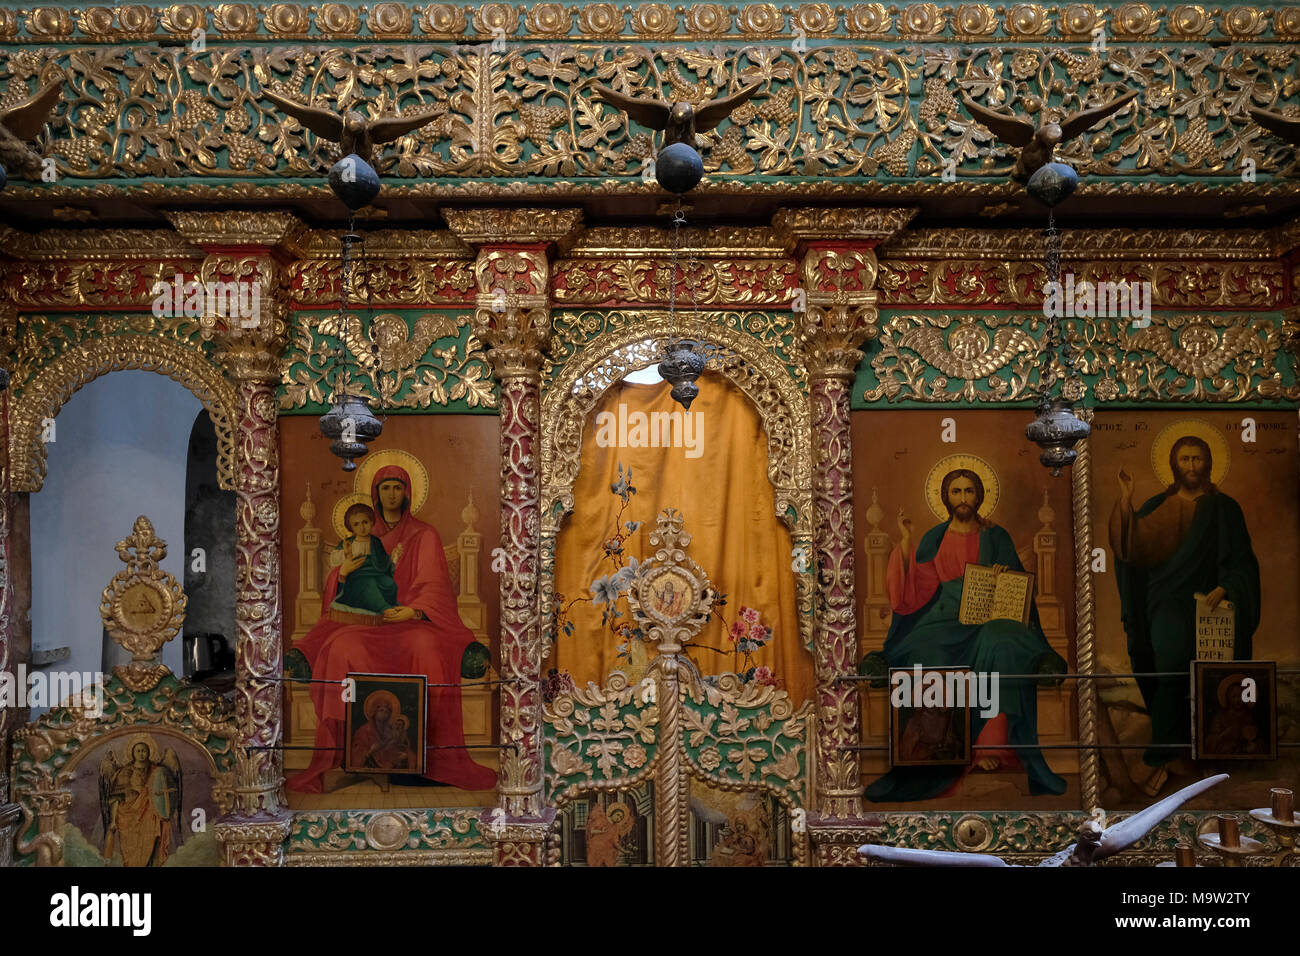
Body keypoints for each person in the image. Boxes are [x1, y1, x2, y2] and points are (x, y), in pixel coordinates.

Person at [289, 464, 497, 793]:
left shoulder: (424, 534)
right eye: (385, 488)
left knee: (426, 647)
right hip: (369, 622)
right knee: (341, 647)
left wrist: (413, 610)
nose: (392, 494)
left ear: (408, 493)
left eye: (397, 488)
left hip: (409, 622)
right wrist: (342, 572)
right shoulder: (359, 538)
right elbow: (341, 588)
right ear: (375, 493)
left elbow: (436, 587)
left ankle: (425, 757)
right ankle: (349, 756)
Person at [866, 468, 1066, 802]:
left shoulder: (996, 536)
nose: (963, 498)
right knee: (927, 654)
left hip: (988, 615)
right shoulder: (934, 537)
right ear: (946, 497)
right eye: (956, 492)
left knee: (1000, 642)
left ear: (979, 496)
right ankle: (938, 751)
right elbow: (914, 592)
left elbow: (1019, 589)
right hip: (943, 619)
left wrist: (1003, 575)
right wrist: (904, 542)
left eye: (969, 491)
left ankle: (992, 749)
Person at [1110, 435, 1259, 782]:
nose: (1191, 466)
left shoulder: (1224, 508)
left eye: (1197, 459)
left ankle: (1208, 752)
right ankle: (1166, 752)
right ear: (1173, 465)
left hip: (1212, 608)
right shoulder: (1157, 506)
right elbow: (1131, 549)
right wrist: (1126, 500)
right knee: (1171, 670)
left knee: (1208, 677)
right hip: (1167, 605)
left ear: (1208, 463)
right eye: (1184, 460)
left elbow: (1243, 563)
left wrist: (1228, 586)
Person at [100, 740, 182, 867]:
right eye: (138, 751)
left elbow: (164, 791)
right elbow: (117, 798)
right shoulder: (124, 772)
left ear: (149, 752)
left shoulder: (156, 770)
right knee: (131, 853)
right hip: (128, 817)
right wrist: (113, 821)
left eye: (144, 751)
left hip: (151, 815)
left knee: (153, 844)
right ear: (132, 753)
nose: (141, 754)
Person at [331, 503, 398, 620]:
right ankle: (384, 608)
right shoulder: (348, 543)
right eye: (356, 524)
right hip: (357, 578)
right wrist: (346, 553)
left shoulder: (376, 542)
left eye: (365, 522)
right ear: (350, 527)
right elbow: (334, 561)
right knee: (368, 583)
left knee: (389, 584)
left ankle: (385, 604)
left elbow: (383, 562)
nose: (362, 527)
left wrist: (394, 558)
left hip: (376, 573)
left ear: (371, 522)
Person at [349, 690, 415, 771]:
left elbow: (399, 745)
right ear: (374, 712)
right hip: (371, 762)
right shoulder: (364, 730)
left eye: (387, 712)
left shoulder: (391, 728)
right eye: (381, 710)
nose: (384, 714)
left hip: (391, 761)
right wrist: (370, 751)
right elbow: (357, 749)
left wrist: (406, 755)